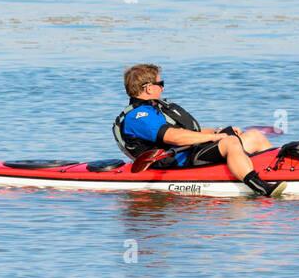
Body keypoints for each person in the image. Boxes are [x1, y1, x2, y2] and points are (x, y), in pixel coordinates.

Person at [113, 63, 285, 198]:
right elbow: (173, 136)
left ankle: (280, 168)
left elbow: (189, 131)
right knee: (230, 143)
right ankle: (260, 187)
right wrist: (214, 138)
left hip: (190, 152)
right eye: (160, 84)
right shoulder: (139, 116)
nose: (162, 88)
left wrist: (217, 133)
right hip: (179, 161)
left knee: (254, 136)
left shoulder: (156, 109)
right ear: (149, 88)